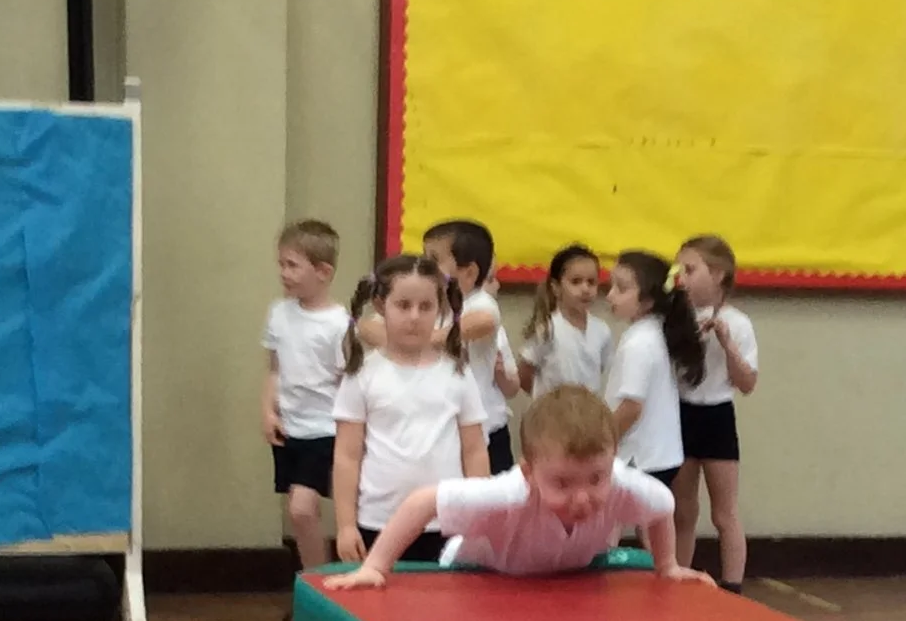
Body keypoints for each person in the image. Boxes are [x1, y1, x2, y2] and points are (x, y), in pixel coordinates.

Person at [324, 384, 706, 587]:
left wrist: (667, 565)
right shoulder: (508, 495)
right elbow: (422, 502)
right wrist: (375, 567)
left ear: (612, 461)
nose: (582, 497)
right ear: (529, 473)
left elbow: (663, 507)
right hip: (477, 574)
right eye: (562, 483)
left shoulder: (622, 485)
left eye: (596, 478)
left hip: (558, 582)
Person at [331, 254, 488, 566]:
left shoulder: (457, 372)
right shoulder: (363, 373)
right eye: (403, 305)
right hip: (379, 521)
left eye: (426, 307)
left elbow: (474, 450)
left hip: (446, 520)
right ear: (381, 306)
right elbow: (347, 455)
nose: (414, 316)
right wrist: (346, 525)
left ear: (440, 309)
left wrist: (480, 518)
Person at [259, 219, 349, 572]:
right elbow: (274, 369)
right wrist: (268, 411)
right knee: (298, 513)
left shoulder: (339, 323)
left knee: (303, 508)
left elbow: (348, 381)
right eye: (281, 264)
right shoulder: (278, 313)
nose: (284, 272)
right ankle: (314, 578)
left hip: (325, 430)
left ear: (323, 272)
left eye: (293, 265)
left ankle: (320, 580)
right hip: (290, 428)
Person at [672, 233, 760, 591]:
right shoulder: (676, 319)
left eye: (690, 270)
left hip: (717, 417)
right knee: (683, 511)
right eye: (680, 270)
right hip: (681, 414)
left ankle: (733, 586)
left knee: (725, 513)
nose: (682, 278)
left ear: (719, 274)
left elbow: (747, 383)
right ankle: (676, 579)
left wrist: (726, 342)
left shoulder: (738, 323)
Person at [423, 218, 522, 473]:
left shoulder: (480, 303)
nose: (424, 268)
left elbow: (483, 322)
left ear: (468, 273)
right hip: (445, 427)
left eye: (433, 260)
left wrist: (421, 338)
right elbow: (370, 328)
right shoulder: (433, 308)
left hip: (483, 430)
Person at [602, 249, 698, 495]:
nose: (610, 295)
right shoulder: (653, 332)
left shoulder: (639, 343)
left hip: (642, 458)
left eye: (621, 289)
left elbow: (632, 406)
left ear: (648, 301)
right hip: (658, 455)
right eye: (611, 286)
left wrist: (600, 443)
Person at [519, 244, 611, 394]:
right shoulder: (547, 329)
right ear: (556, 287)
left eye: (591, 282)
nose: (585, 289)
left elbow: (598, 371)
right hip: (552, 407)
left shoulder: (602, 330)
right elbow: (524, 375)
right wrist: (547, 399)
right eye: (576, 281)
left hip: (588, 407)